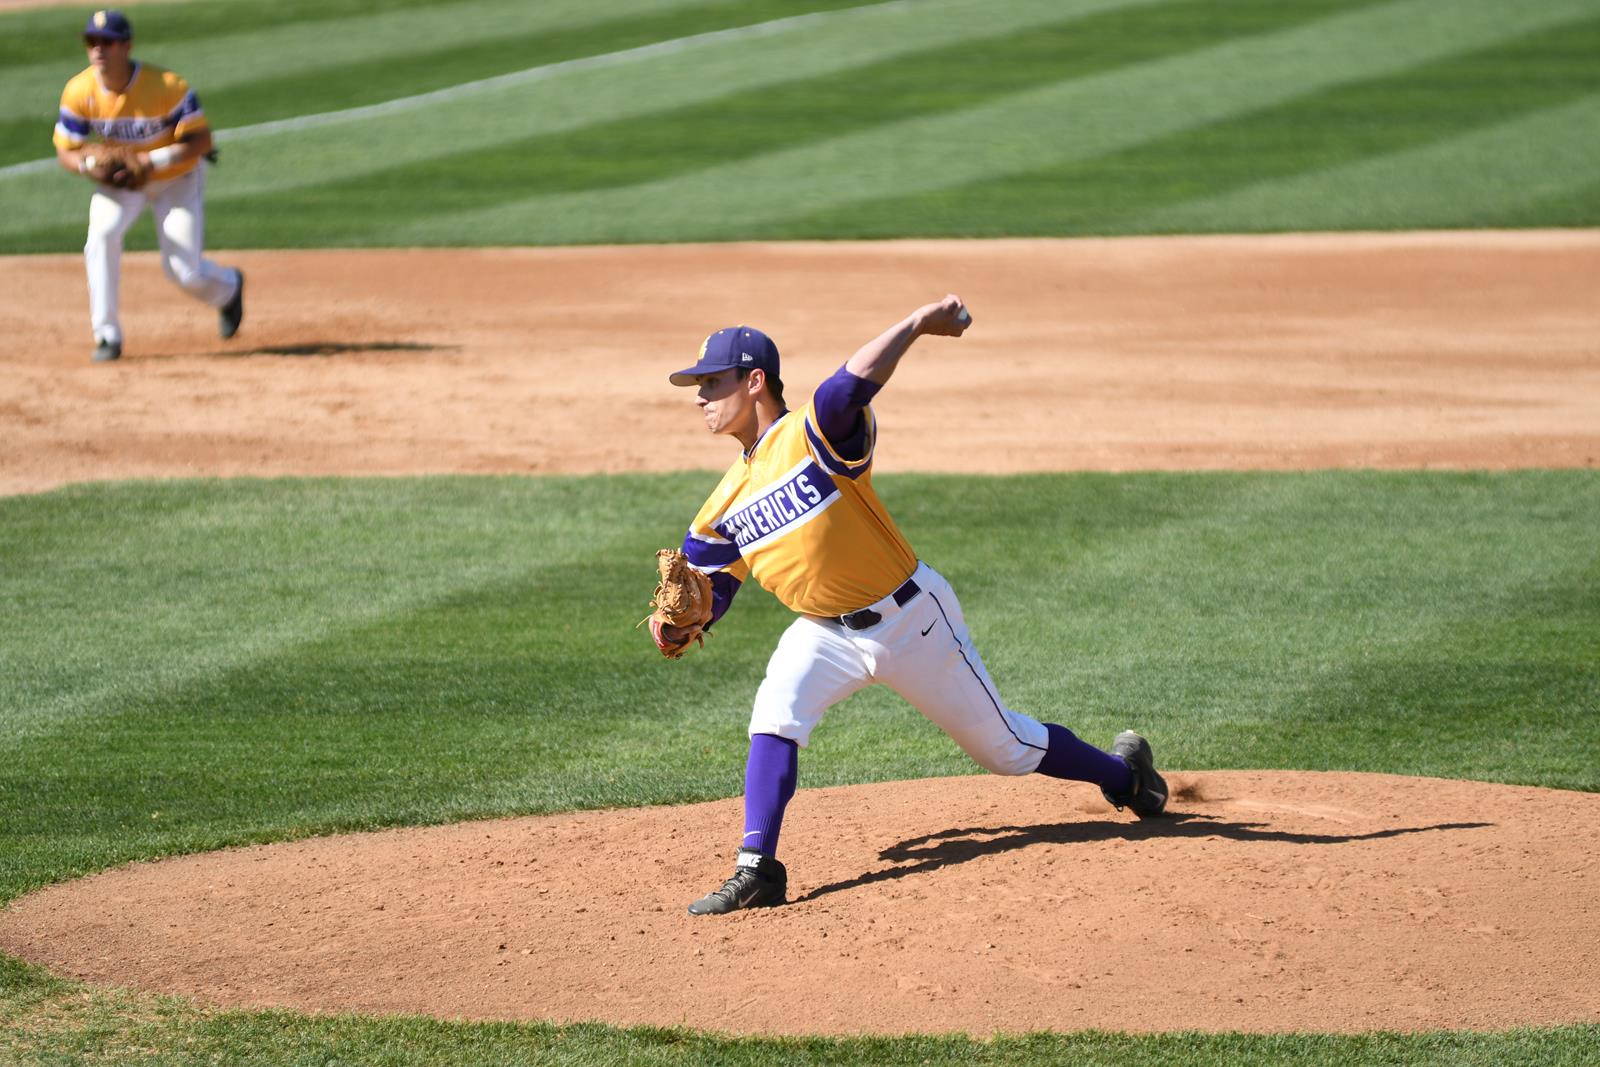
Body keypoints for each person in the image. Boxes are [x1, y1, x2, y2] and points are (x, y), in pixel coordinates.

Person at [655, 294, 1169, 916]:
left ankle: (1127, 778)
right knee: (775, 713)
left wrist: (918, 324)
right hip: (823, 633)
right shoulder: (719, 506)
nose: (700, 396)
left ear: (754, 380)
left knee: (1006, 749)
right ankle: (757, 866)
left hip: (911, 620)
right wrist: (682, 625)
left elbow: (850, 387)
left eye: (712, 381)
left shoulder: (811, 433)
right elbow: (716, 592)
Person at [53, 9, 243, 363]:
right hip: (122, 186)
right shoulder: (79, 90)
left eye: (106, 42)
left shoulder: (166, 86)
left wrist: (150, 161)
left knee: (184, 271)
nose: (98, 49)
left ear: (126, 46)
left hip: (176, 180)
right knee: (101, 236)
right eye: (91, 42)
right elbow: (66, 150)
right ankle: (107, 335)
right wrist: (91, 166)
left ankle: (229, 289)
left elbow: (202, 141)